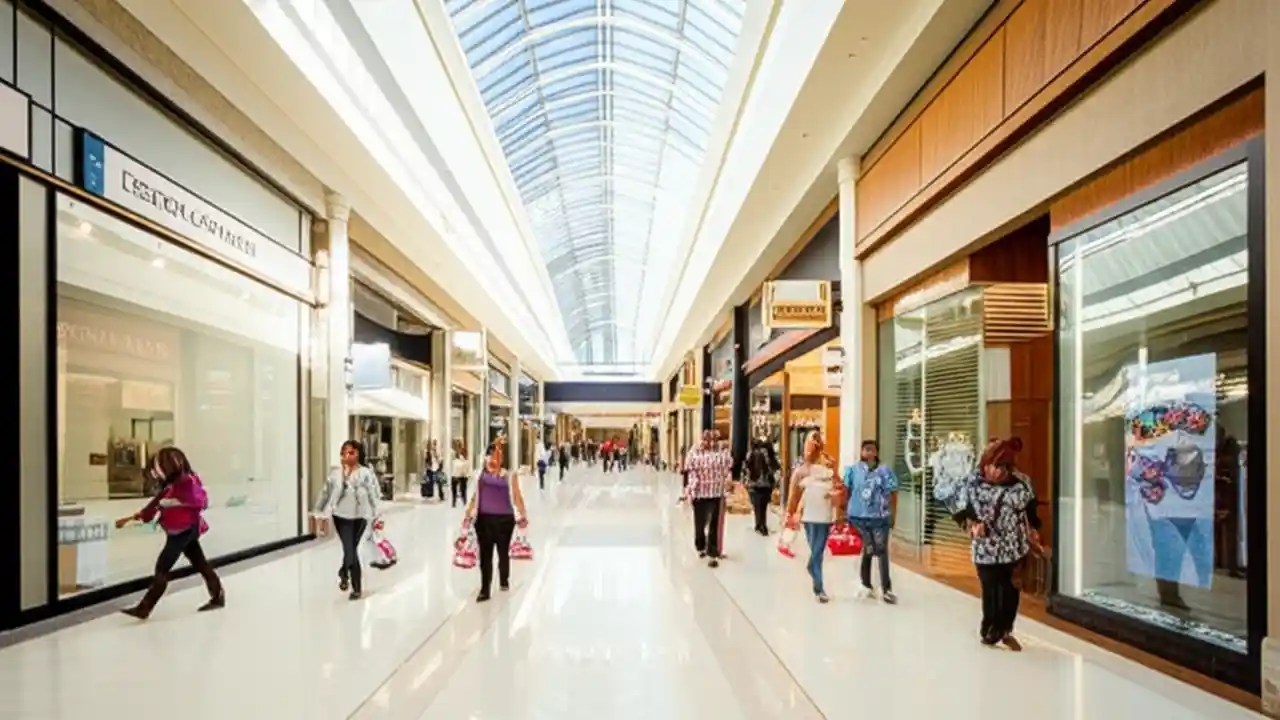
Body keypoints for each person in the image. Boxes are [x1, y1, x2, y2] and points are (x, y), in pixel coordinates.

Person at [952, 437, 1042, 650]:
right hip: (985, 547)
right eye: (994, 466)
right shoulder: (971, 486)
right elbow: (960, 511)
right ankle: (989, 627)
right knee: (990, 588)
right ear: (985, 464)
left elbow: (1031, 512)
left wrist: (1034, 530)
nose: (998, 472)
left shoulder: (1021, 487)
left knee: (1010, 589)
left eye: (1004, 467)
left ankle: (1004, 628)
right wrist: (971, 524)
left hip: (1013, 547)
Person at [115, 447, 224, 619]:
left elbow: (200, 501)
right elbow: (155, 504)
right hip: (181, 531)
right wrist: (137, 516)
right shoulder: (172, 486)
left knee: (162, 567)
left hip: (183, 531)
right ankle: (218, 596)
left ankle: (145, 608)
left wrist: (177, 502)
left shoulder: (187, 482)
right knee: (200, 563)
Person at [314, 440, 382, 600]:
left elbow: (374, 493)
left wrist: (376, 514)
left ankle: (344, 572)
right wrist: (319, 511)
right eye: (344, 453)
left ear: (358, 454)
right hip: (341, 516)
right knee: (350, 549)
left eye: (352, 452)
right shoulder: (336, 474)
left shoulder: (365, 473)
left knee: (351, 549)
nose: (348, 456)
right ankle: (356, 587)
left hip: (360, 516)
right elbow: (325, 493)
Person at [463, 439, 528, 602]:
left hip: (505, 520)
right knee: (485, 555)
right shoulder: (481, 476)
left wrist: (523, 514)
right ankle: (485, 589)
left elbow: (517, 495)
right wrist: (468, 514)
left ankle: (504, 579)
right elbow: (475, 496)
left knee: (502, 551)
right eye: (491, 454)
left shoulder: (510, 475)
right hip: (484, 519)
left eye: (498, 454)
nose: (494, 458)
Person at [844, 439, 900, 603]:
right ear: (861, 452)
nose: (868, 452)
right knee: (868, 548)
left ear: (876, 452)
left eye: (872, 449)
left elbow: (893, 493)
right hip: (858, 517)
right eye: (865, 449)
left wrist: (893, 514)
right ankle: (866, 583)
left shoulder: (885, 471)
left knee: (882, 551)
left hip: (880, 517)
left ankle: (886, 588)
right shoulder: (853, 471)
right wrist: (842, 513)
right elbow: (846, 491)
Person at [785, 431, 837, 603]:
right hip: (808, 516)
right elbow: (793, 495)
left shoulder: (828, 468)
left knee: (818, 550)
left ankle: (817, 582)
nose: (813, 447)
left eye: (817, 442)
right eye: (810, 442)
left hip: (825, 515)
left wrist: (834, 471)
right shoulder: (801, 471)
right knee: (816, 550)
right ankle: (818, 584)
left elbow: (839, 487)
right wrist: (789, 514)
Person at [683, 430, 734, 568]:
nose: (709, 443)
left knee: (714, 524)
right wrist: (689, 490)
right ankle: (700, 546)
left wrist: (728, 481)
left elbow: (729, 466)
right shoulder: (694, 452)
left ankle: (713, 552)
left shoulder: (722, 452)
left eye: (712, 440)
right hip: (699, 493)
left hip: (716, 493)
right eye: (706, 440)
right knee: (700, 523)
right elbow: (688, 470)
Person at [744, 438, 781, 535]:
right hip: (767, 483)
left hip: (755, 482)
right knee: (763, 505)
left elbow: (747, 466)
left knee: (757, 504)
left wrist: (747, 479)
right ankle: (762, 524)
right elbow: (775, 466)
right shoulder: (769, 453)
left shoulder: (752, 453)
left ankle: (759, 524)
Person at [450, 440, 471, 508]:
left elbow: (466, 464)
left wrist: (466, 474)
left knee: (463, 490)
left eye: (459, 445)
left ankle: (464, 501)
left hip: (462, 475)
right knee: (455, 490)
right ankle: (454, 502)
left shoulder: (463, 453)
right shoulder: (453, 454)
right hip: (455, 474)